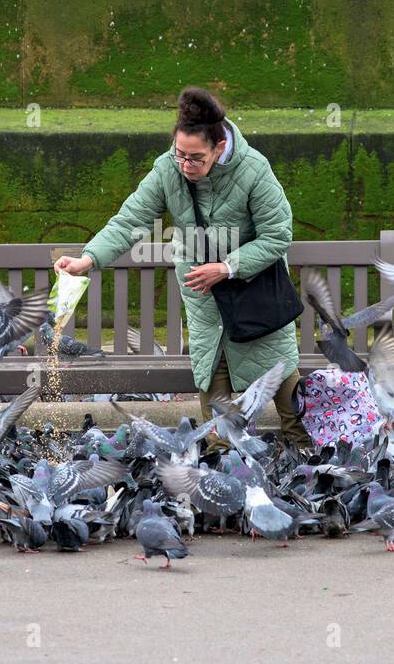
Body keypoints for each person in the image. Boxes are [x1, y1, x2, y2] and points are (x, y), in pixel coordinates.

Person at [55, 86, 310, 448]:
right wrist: (88, 258)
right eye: (180, 155)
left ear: (219, 148)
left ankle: (305, 467)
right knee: (216, 406)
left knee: (281, 378)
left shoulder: (254, 170)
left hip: (255, 293)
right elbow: (130, 220)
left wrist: (227, 267)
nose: (186, 165)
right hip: (205, 299)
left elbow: (278, 235)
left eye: (196, 158)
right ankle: (223, 474)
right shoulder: (167, 171)